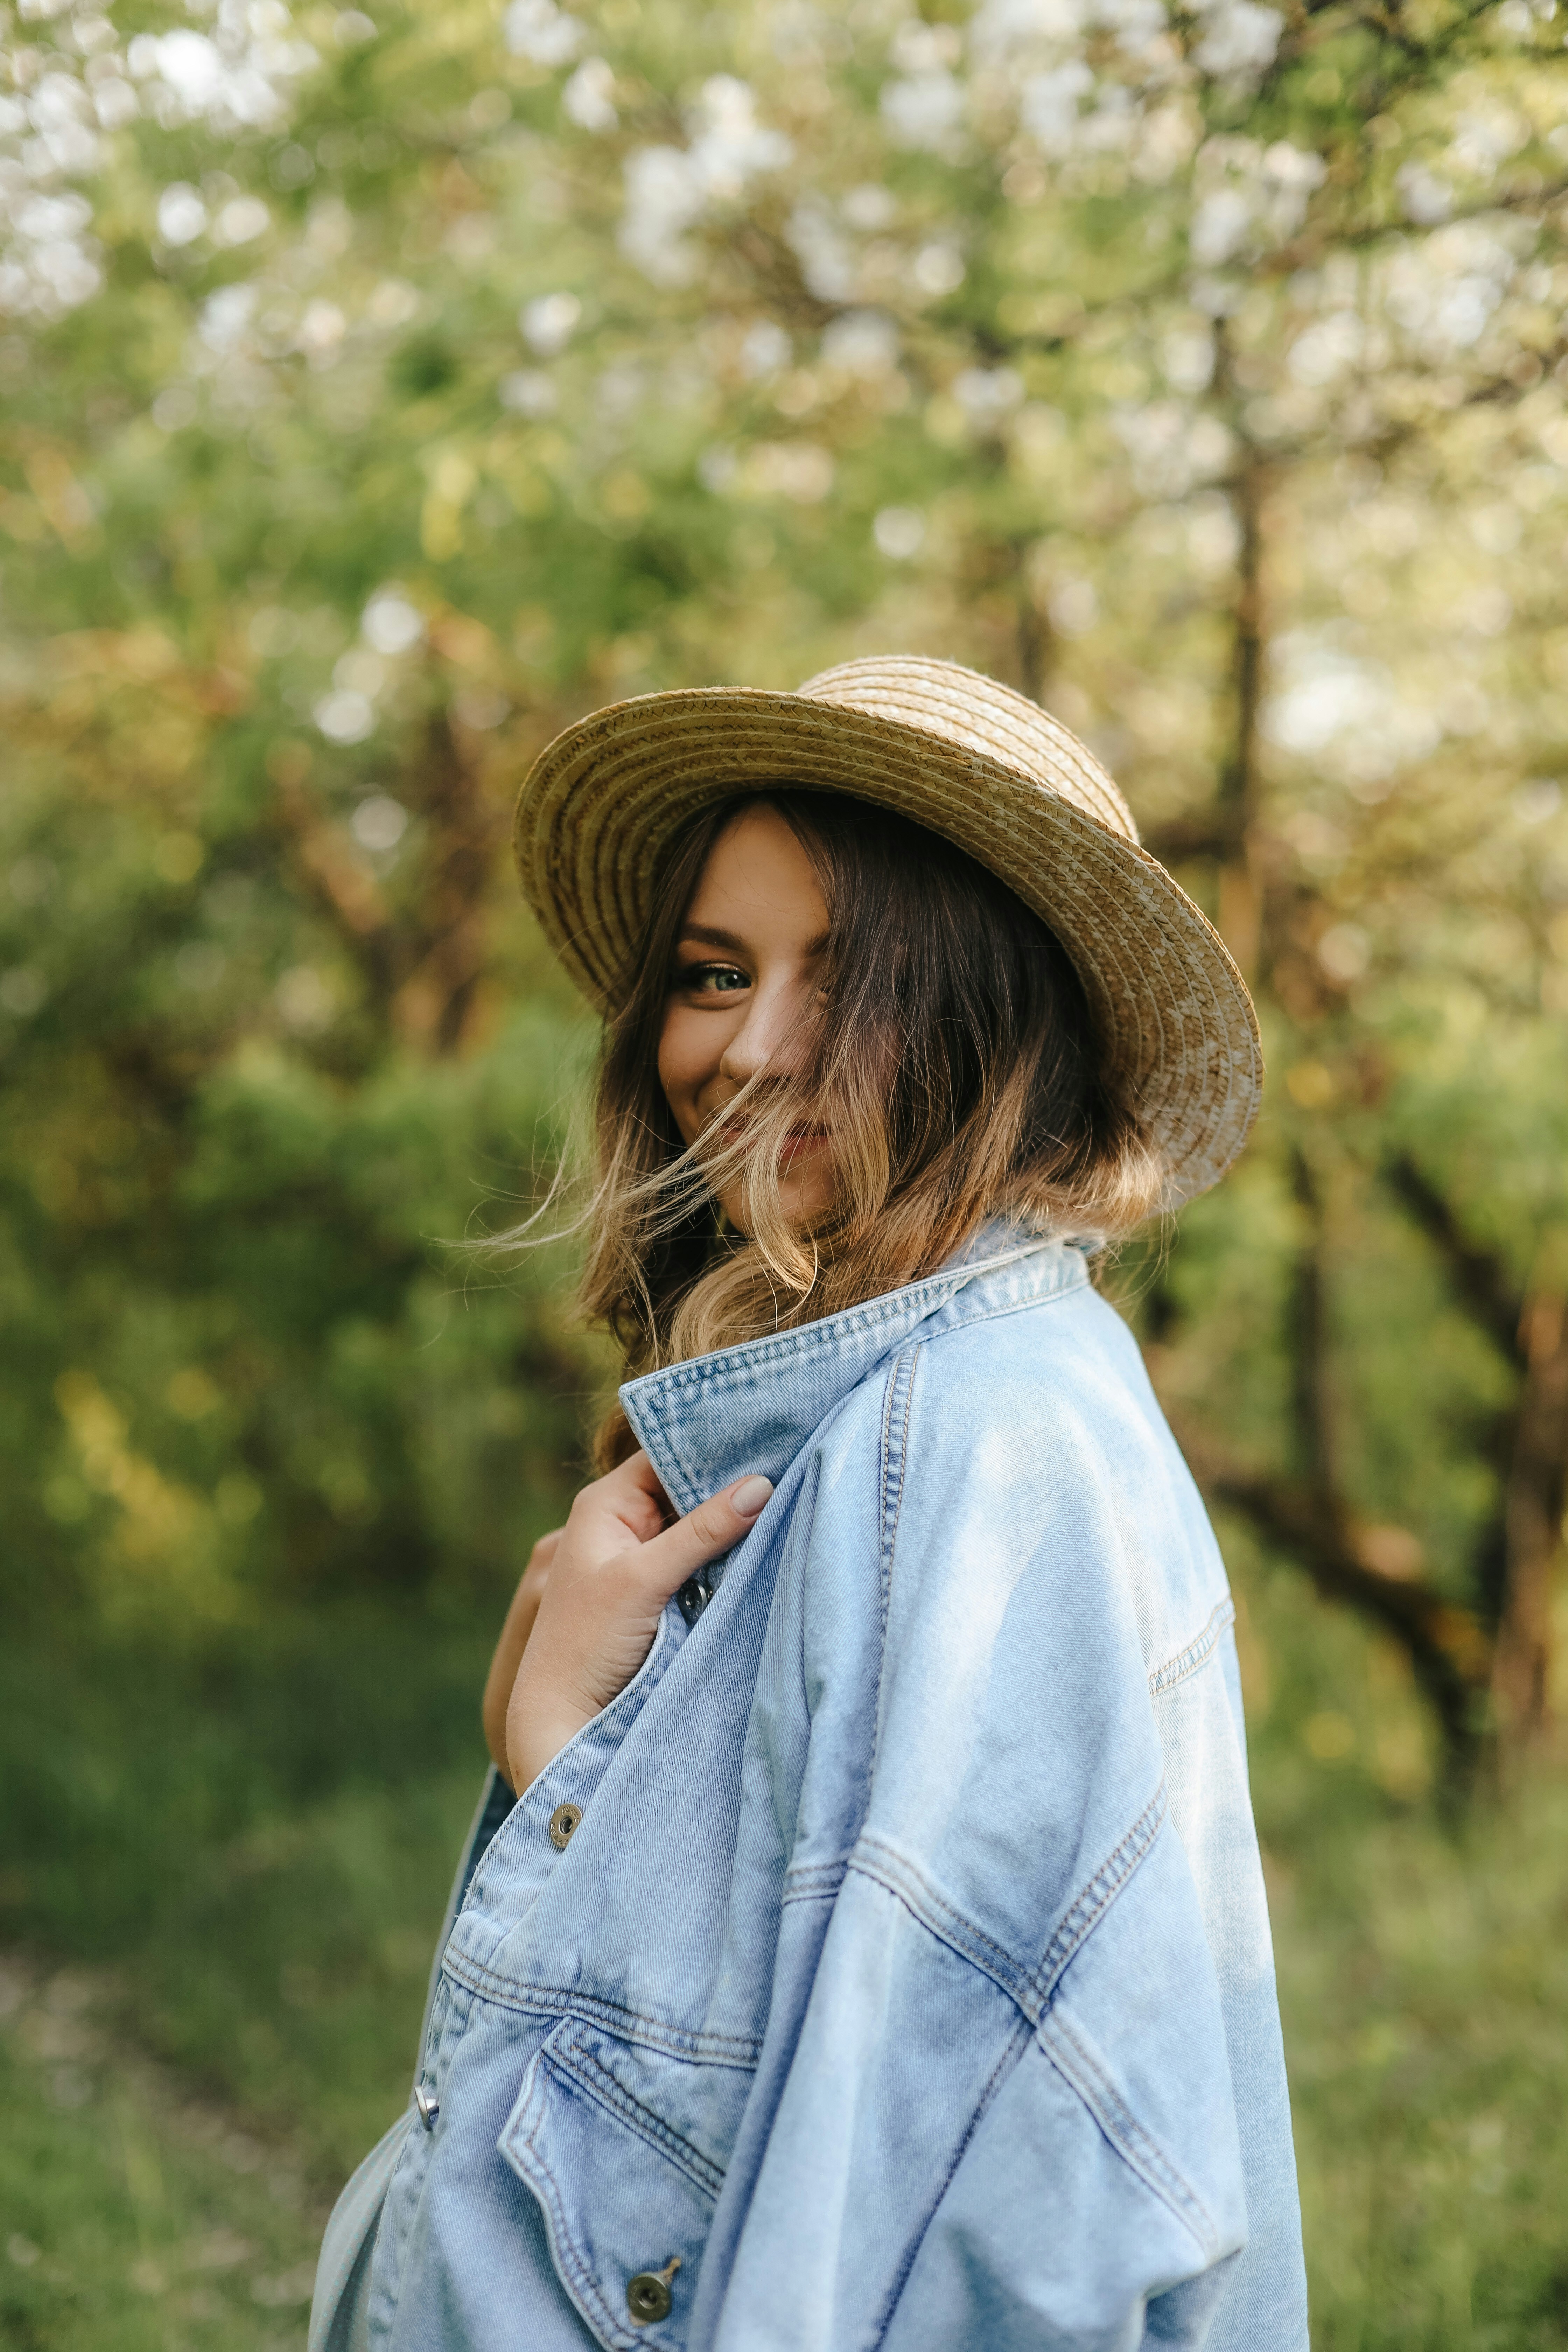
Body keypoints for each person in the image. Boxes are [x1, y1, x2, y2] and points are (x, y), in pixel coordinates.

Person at [309, 657, 1308, 2351]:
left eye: (846, 981)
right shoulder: (882, 1414)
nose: (750, 1048)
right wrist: (566, 1754)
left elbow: (930, 2193)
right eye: (715, 972)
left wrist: (564, 1776)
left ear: (1005, 1021)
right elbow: (737, 2060)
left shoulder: (976, 1450)